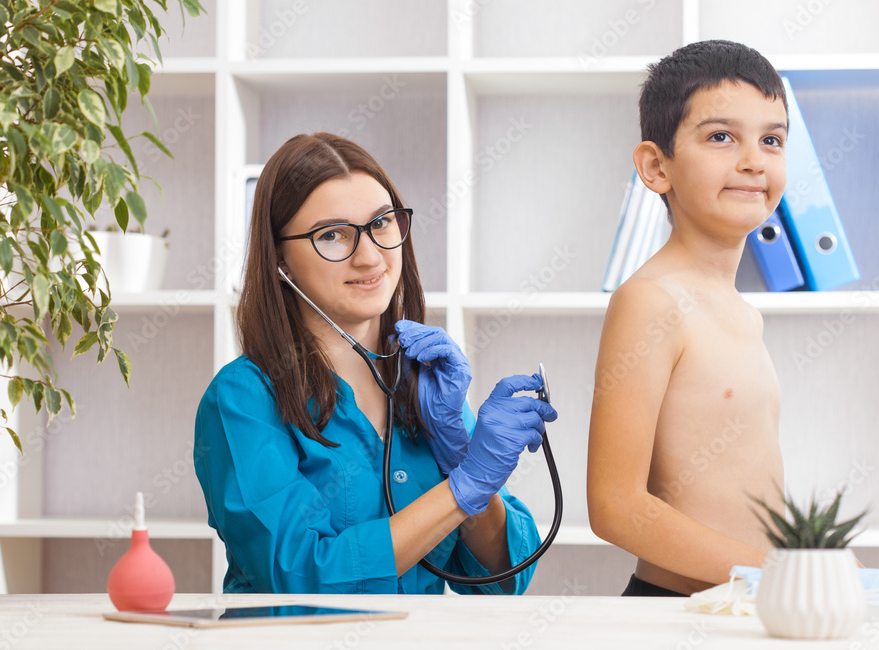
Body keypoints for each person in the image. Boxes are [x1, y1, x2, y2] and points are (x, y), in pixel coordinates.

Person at [194, 132, 556, 595]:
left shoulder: (425, 382)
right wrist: (462, 487)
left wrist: (458, 452)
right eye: (331, 235)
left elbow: (507, 576)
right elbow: (302, 576)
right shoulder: (243, 400)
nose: (370, 256)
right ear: (280, 259)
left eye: (381, 223)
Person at [586, 40, 789, 597]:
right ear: (656, 166)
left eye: (771, 139)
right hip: (677, 611)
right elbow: (614, 506)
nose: (754, 159)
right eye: (721, 137)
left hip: (742, 603)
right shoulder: (651, 300)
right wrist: (776, 575)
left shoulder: (744, 314)